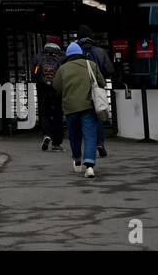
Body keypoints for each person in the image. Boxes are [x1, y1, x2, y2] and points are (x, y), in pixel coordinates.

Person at [52, 40, 106, 178]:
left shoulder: (62, 69)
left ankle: (77, 160)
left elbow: (56, 88)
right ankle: (89, 166)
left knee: (74, 136)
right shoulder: (91, 65)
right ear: (81, 53)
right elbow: (102, 82)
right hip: (88, 106)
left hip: (70, 108)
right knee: (90, 136)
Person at [75, 25, 112, 158]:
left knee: (83, 118)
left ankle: (85, 146)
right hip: (97, 90)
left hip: (79, 91)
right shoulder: (100, 51)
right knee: (98, 117)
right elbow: (109, 69)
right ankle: (99, 143)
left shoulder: (75, 52)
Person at [31, 40, 65, 151]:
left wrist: (40, 85)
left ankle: (47, 134)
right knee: (57, 116)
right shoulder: (61, 58)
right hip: (57, 92)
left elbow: (34, 75)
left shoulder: (38, 58)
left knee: (44, 115)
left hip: (43, 92)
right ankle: (56, 144)